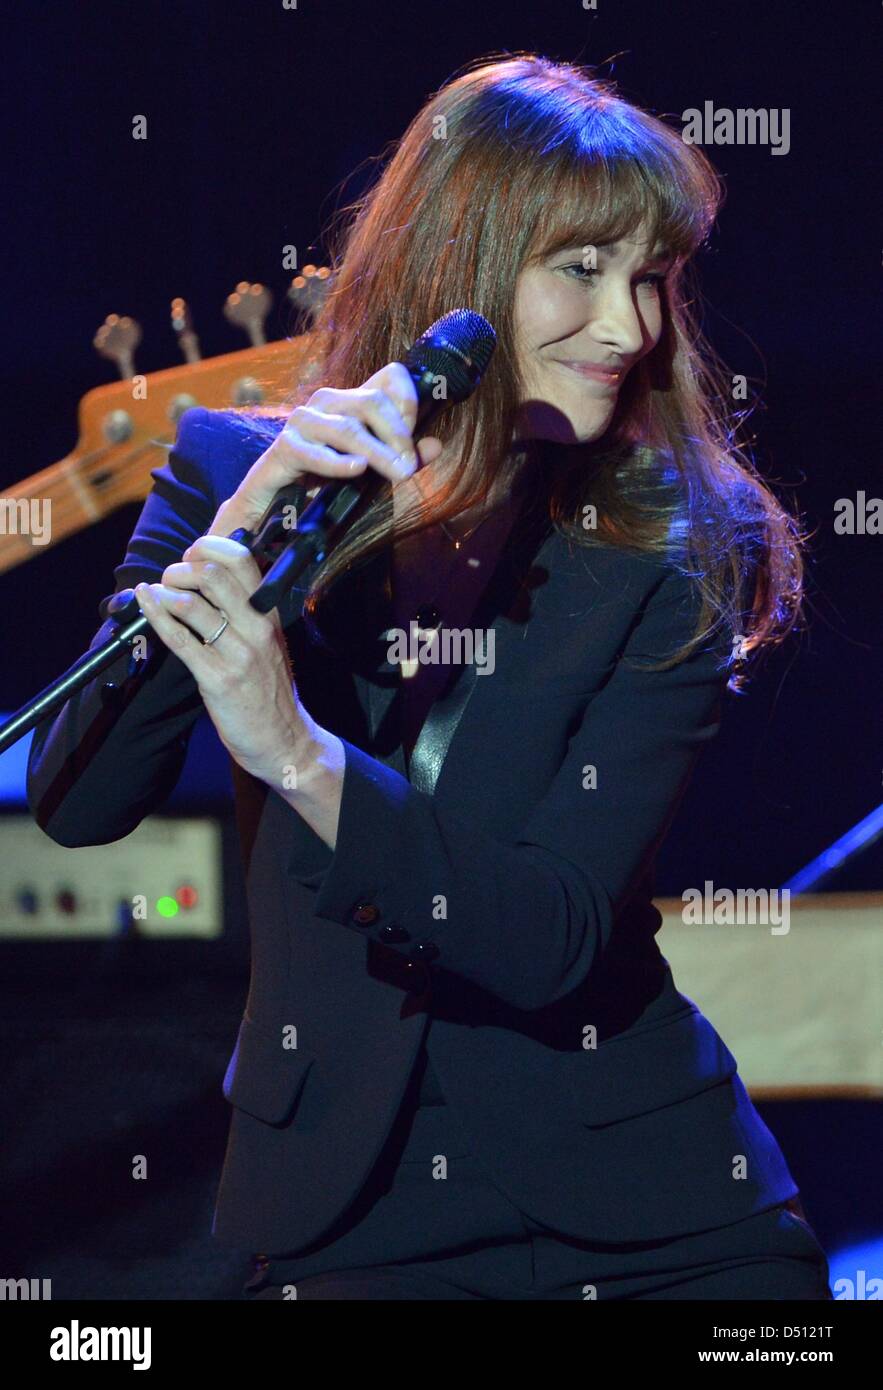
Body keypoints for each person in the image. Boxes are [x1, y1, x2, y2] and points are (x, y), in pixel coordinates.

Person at [27, 53, 832, 1300]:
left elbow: (552, 935)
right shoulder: (234, 475)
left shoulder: (677, 536)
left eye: (651, 278)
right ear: (460, 264)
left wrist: (295, 754)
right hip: (346, 1219)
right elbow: (81, 801)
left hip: (653, 1219)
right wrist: (244, 518)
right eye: (580, 269)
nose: (630, 327)